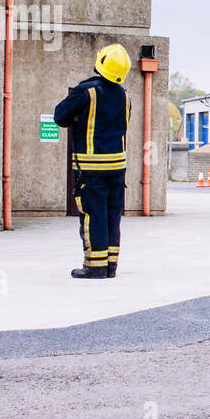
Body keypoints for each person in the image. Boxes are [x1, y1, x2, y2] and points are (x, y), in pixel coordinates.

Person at [54, 44, 132, 279]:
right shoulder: (124, 95)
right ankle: (110, 266)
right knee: (112, 216)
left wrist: (79, 117)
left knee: (93, 215)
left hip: (92, 169)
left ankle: (95, 266)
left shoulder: (86, 92)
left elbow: (60, 116)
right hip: (117, 168)